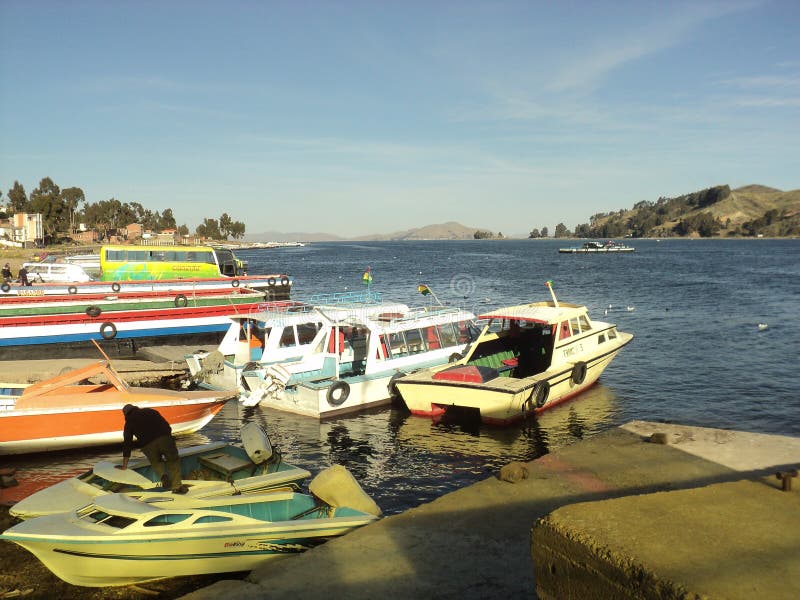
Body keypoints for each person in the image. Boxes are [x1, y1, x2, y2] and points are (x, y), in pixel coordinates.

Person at [116, 404, 188, 494]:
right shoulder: (150, 411)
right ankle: (177, 487)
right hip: (164, 438)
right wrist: (168, 436)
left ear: (125, 414)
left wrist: (124, 465)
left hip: (148, 445)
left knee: (156, 462)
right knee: (173, 461)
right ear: (136, 408)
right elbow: (166, 425)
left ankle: (163, 476)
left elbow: (127, 443)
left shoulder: (128, 423)